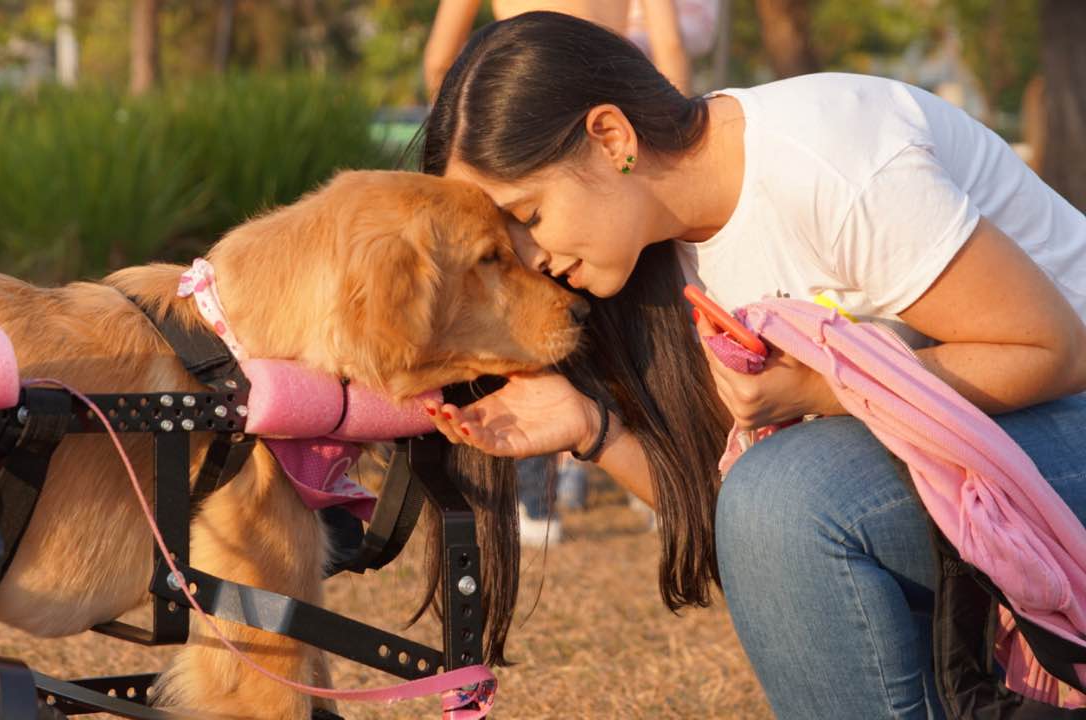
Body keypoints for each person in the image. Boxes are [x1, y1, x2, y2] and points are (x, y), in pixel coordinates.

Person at [416, 11, 1086, 718]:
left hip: (1067, 416)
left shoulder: (832, 166)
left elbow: (1054, 349)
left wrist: (825, 391)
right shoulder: (657, 257)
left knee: (787, 496)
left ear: (610, 137)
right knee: (773, 503)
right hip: (980, 469)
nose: (531, 258)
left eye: (529, 214)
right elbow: (735, 523)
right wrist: (594, 429)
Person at [422, 0, 691, 101]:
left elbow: (439, 59)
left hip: (522, 81)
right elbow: (670, 46)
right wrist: (677, 131)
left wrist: (449, 135)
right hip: (603, 84)